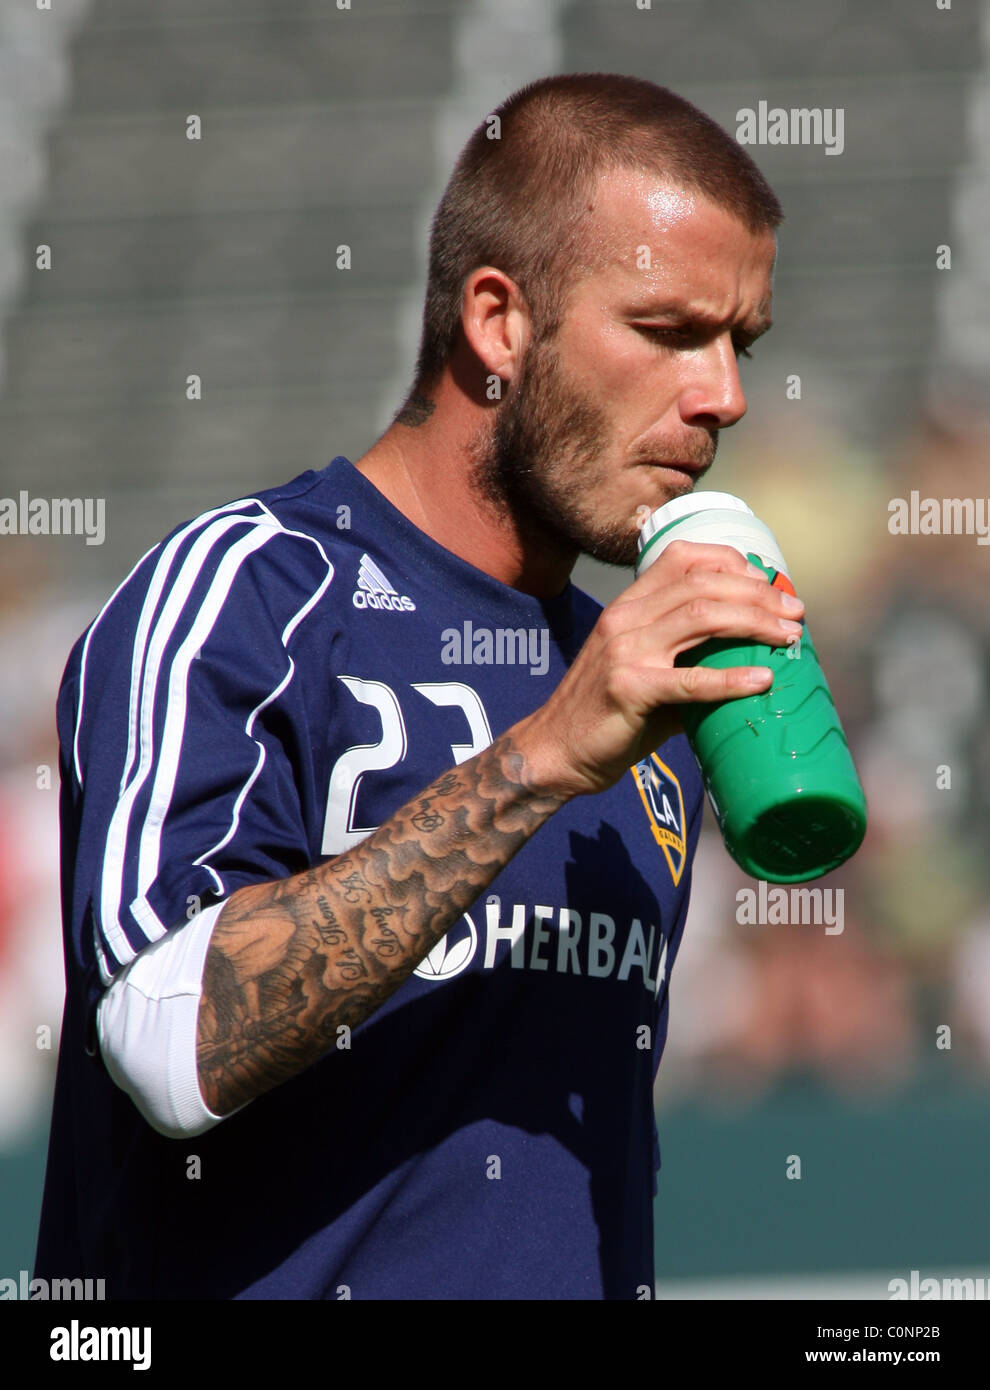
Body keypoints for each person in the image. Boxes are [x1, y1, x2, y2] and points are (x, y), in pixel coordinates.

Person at [34, 73, 800, 1300]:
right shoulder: (247, 595)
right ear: (499, 323)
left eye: (739, 343)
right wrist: (541, 758)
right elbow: (169, 1041)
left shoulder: (645, 693)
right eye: (667, 332)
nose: (724, 396)